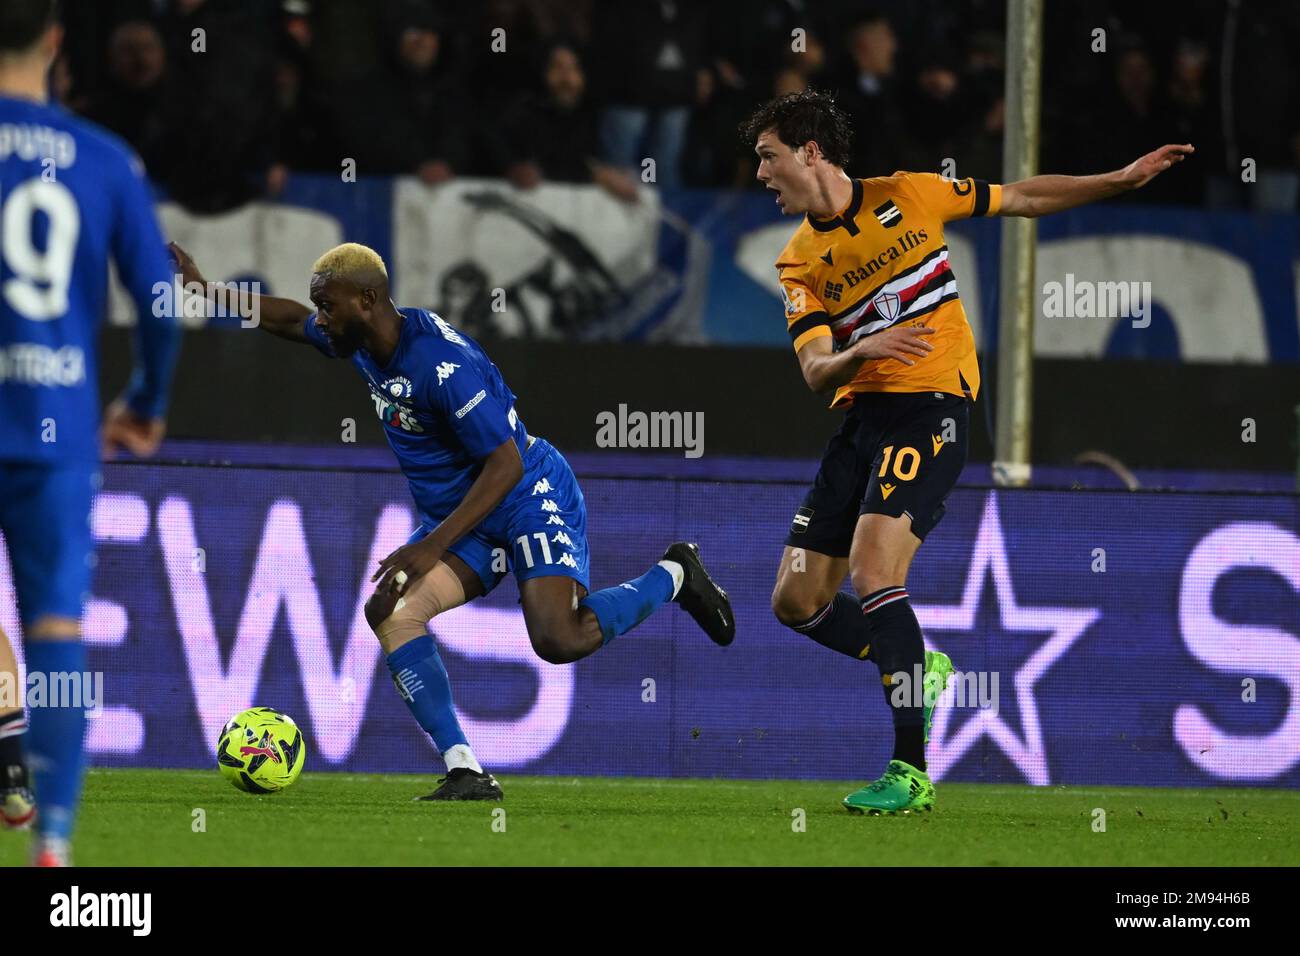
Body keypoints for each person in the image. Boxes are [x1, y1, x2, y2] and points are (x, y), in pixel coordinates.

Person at [743, 88, 1190, 814]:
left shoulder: (913, 195)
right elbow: (816, 370)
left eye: (768, 157)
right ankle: (918, 662)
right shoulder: (799, 262)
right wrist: (865, 349)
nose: (761, 174)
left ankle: (911, 771)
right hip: (862, 421)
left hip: (933, 409)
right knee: (796, 602)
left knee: (873, 570)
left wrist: (1119, 179)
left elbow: (1020, 198)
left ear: (810, 151)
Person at [168, 240, 734, 801]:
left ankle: (674, 574)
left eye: (328, 305)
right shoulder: (361, 340)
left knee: (558, 639)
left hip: (525, 494)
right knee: (389, 613)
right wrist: (207, 290)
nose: (320, 317)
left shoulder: (441, 367)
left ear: (366, 299)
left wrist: (430, 546)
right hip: (464, 513)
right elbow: (292, 321)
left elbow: (505, 462)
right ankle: (465, 769)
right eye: (320, 306)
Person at [0, 0, 180, 864]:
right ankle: (56, 847)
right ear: (57, 41)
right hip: (59, 427)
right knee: (57, 631)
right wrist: (147, 396)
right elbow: (160, 305)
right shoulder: (106, 159)